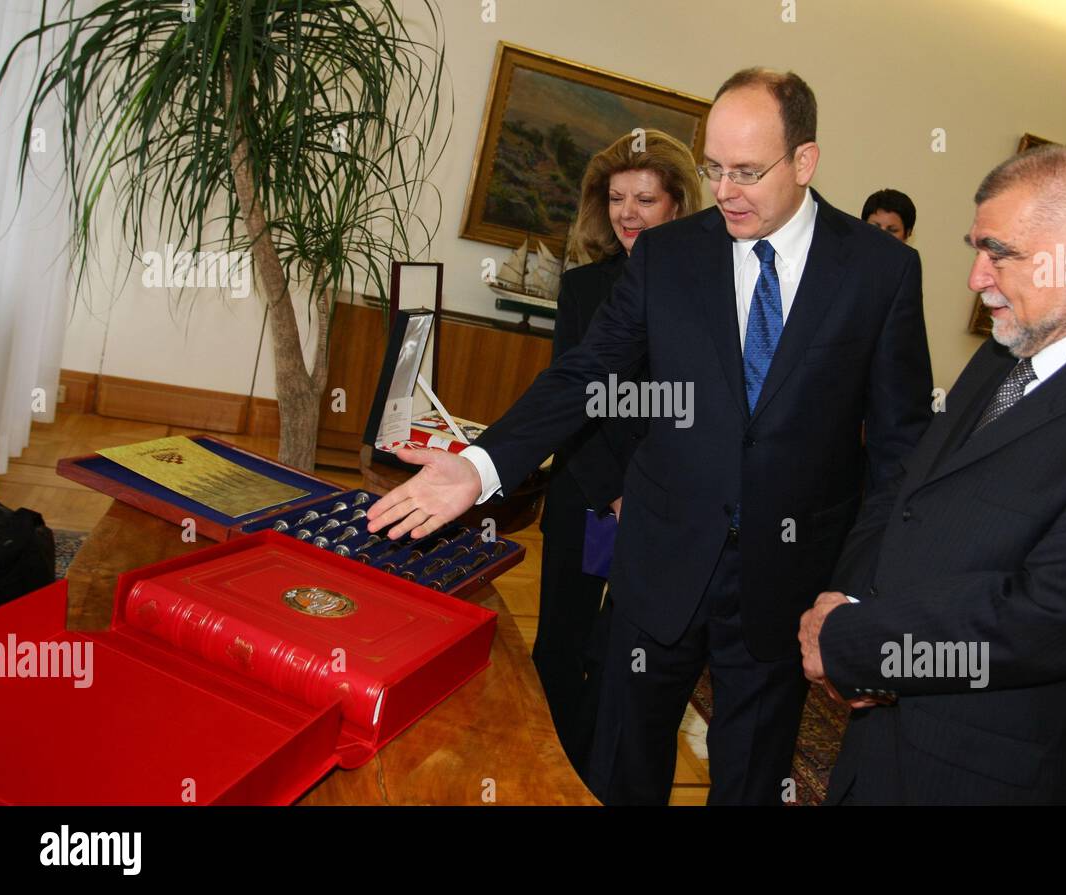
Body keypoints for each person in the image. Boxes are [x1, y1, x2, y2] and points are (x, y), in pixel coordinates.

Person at [367, 68, 933, 805]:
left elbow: (899, 449)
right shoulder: (668, 255)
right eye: (713, 169)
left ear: (805, 161)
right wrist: (480, 467)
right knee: (625, 758)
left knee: (751, 774)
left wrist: (859, 589)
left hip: (788, 571)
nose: (725, 190)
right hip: (661, 554)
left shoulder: (880, 270)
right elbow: (585, 374)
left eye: (747, 171)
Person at [799, 144, 1066, 805]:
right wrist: (846, 600)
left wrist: (859, 645)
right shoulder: (1007, 350)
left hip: (981, 775)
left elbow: (1046, 618)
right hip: (875, 739)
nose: (977, 277)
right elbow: (904, 494)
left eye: (1001, 252)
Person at [535, 130, 701, 777]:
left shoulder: (705, 298)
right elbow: (571, 407)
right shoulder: (581, 290)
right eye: (616, 198)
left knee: (621, 662)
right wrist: (614, 492)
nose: (627, 212)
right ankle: (543, 774)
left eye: (645, 198)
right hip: (585, 496)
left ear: (679, 206)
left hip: (664, 511)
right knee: (559, 650)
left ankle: (584, 777)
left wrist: (651, 497)